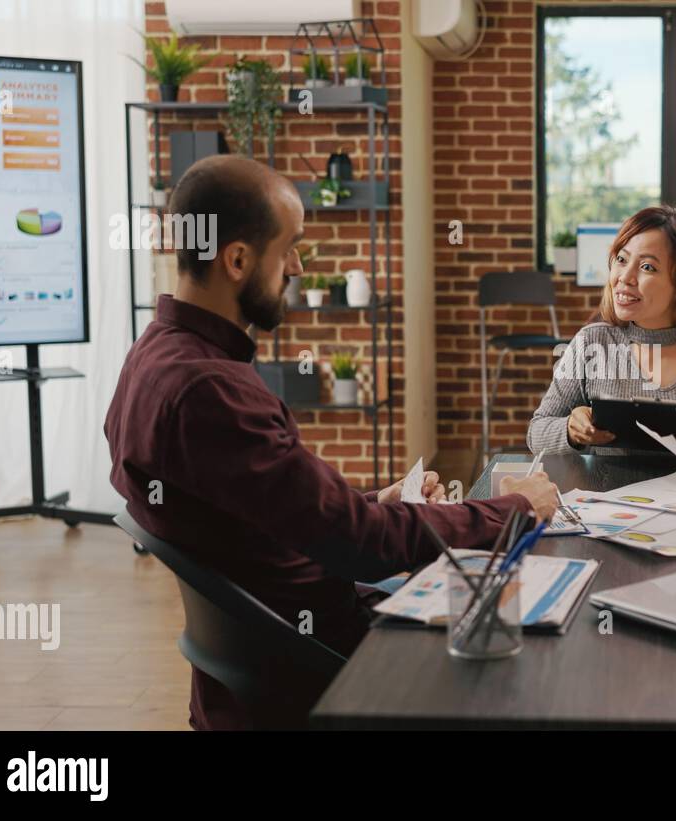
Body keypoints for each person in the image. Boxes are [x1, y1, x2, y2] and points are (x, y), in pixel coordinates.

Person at [104, 155, 559, 729]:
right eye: (289, 246)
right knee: (543, 650)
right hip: (324, 663)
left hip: (251, 673)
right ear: (239, 259)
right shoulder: (213, 392)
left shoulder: (152, 356)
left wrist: (373, 502)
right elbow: (360, 547)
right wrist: (514, 508)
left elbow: (261, 515)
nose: (296, 266)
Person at [527, 205, 676, 460]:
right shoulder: (591, 341)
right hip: (605, 496)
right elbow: (537, 432)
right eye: (621, 260)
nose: (625, 277)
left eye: (647, 267)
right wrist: (570, 431)